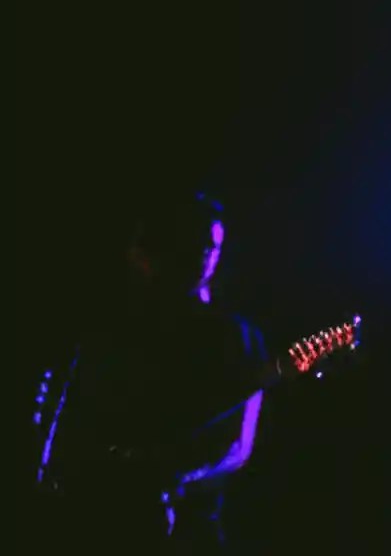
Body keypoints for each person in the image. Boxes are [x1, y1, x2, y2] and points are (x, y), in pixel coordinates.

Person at [31, 192, 266, 552]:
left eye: (209, 245)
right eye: (190, 243)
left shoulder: (233, 336)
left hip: (180, 530)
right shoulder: (108, 328)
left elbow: (236, 444)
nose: (202, 254)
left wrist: (166, 480)